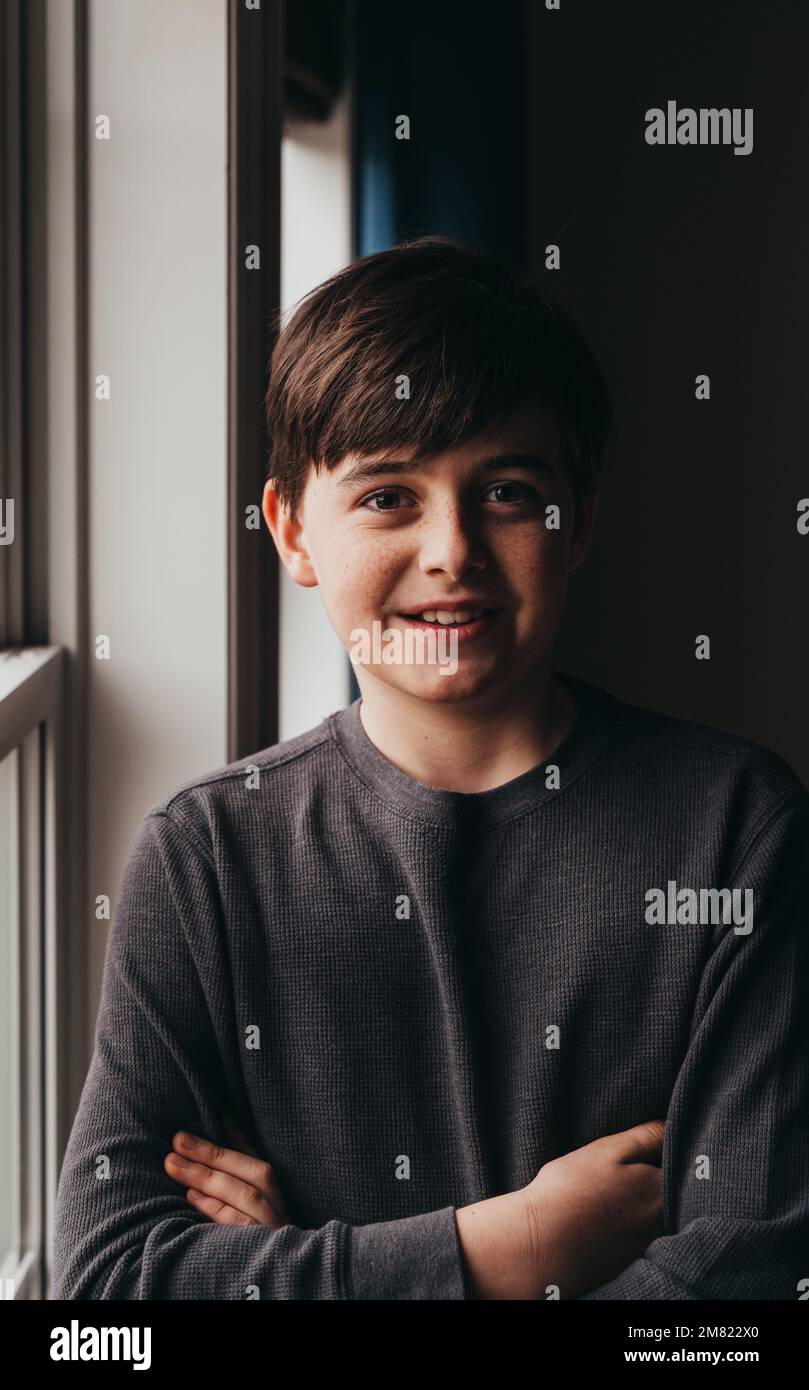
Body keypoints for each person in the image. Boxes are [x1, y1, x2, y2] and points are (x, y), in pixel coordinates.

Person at [51, 237, 809, 1300]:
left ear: (576, 517)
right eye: (385, 497)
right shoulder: (207, 856)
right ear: (291, 530)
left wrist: (300, 1263)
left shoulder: (735, 826)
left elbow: (738, 1303)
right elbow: (106, 1296)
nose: (450, 548)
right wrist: (504, 1252)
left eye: (504, 490)